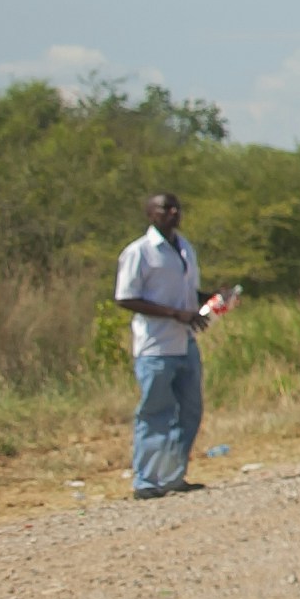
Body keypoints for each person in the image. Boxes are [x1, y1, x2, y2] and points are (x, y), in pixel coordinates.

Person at [115, 190, 225, 498]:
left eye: (177, 207)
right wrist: (175, 314)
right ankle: (147, 481)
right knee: (156, 412)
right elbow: (126, 297)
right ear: (150, 214)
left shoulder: (184, 247)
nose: (173, 213)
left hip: (185, 342)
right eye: (166, 208)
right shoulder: (140, 252)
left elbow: (186, 293)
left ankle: (173, 476)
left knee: (189, 410)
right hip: (156, 347)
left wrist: (211, 299)